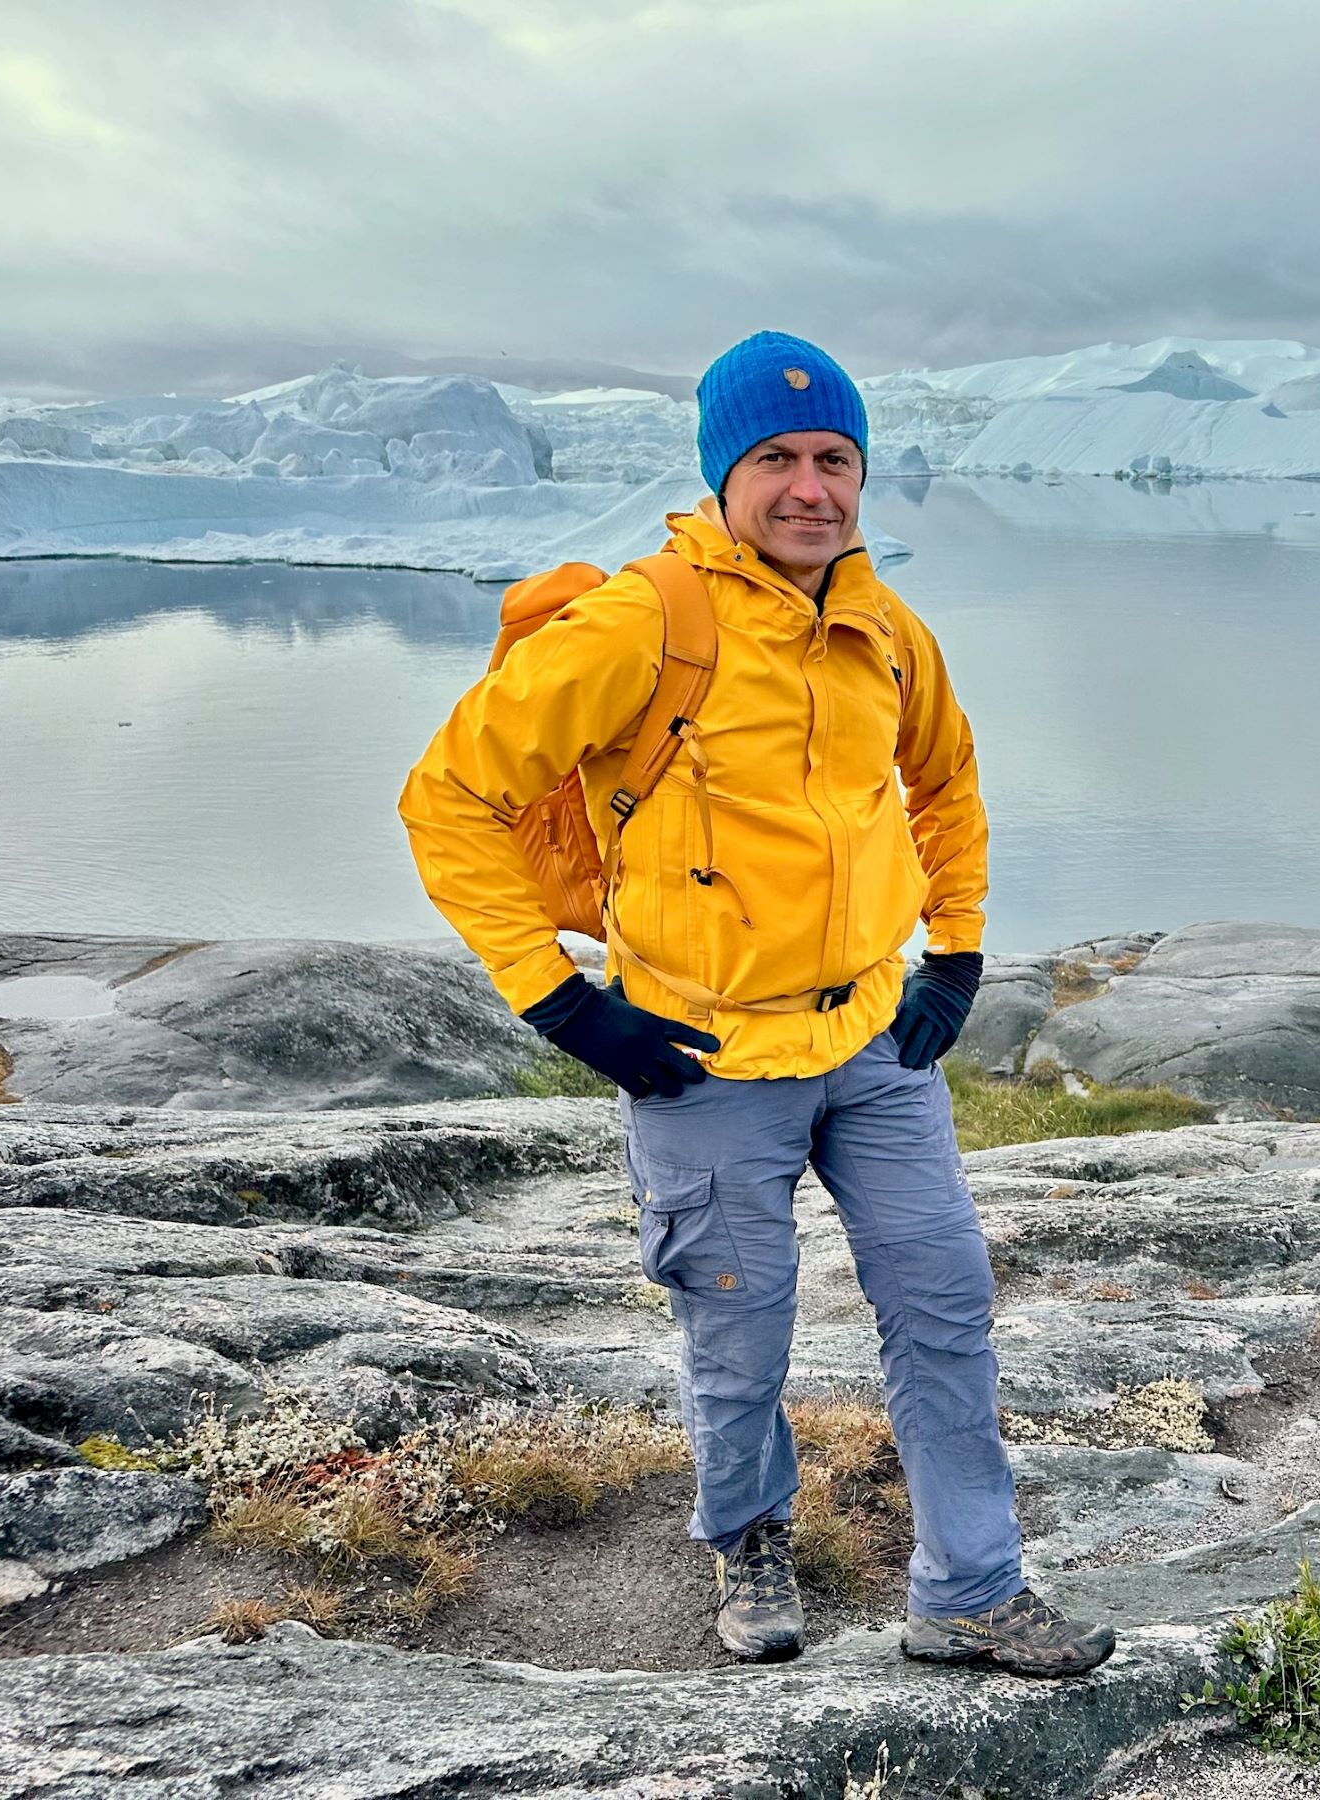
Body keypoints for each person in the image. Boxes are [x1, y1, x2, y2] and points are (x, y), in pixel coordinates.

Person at [398, 330, 1114, 1677]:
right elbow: (449, 799)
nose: (809, 488)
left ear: (863, 474)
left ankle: (971, 1589)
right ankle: (749, 1539)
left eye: (834, 458)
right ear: (723, 475)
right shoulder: (643, 623)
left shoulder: (885, 628)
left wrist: (955, 953)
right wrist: (563, 1005)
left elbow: (946, 782)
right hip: (704, 1055)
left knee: (946, 1307)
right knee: (738, 1333)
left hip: (873, 1042)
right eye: (775, 459)